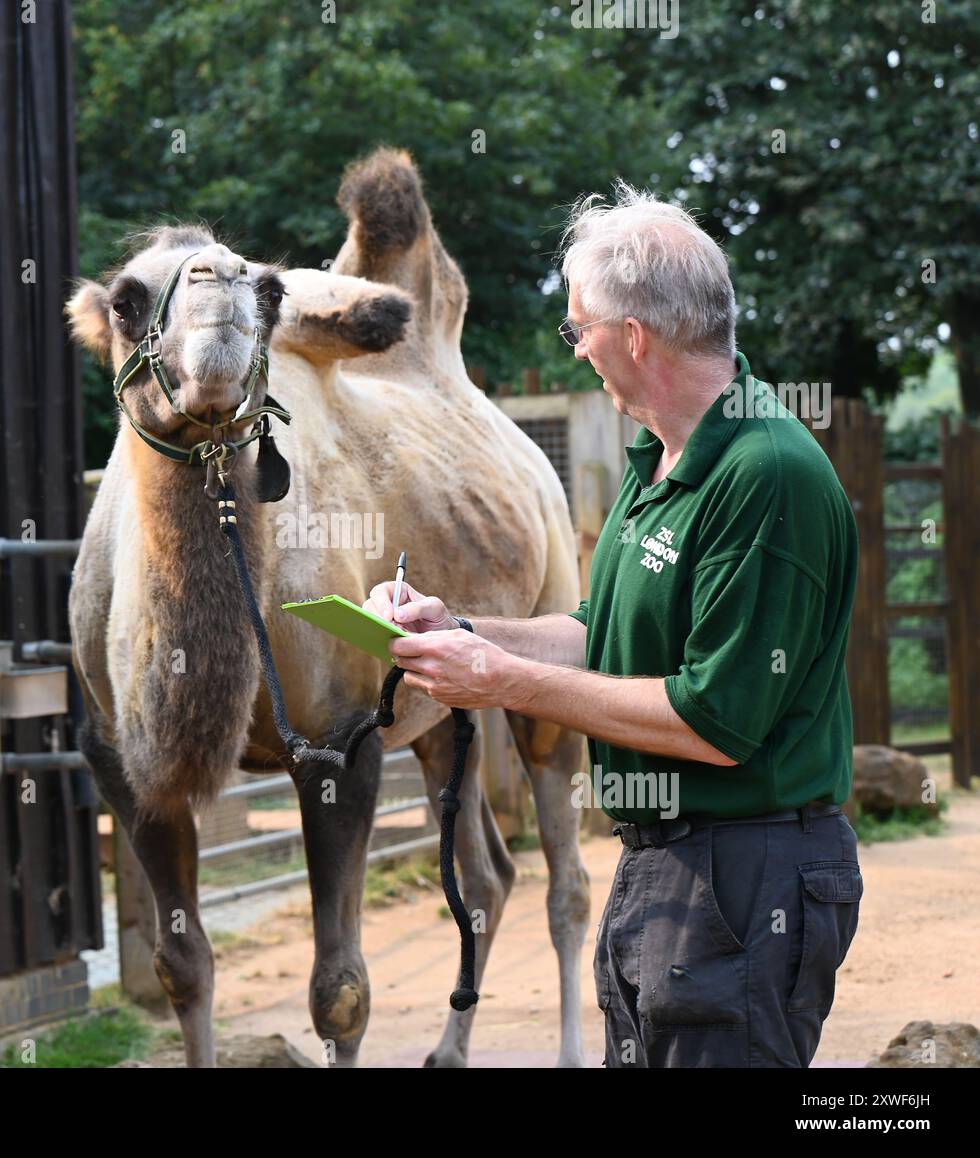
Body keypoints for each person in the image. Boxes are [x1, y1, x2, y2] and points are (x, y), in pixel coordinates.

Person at [364, 183, 863, 1068]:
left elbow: (717, 725)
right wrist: (467, 628)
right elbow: (604, 633)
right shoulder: (660, 457)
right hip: (662, 866)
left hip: (747, 873)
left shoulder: (767, 474)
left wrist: (502, 682)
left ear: (633, 336)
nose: (577, 349)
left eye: (578, 328)